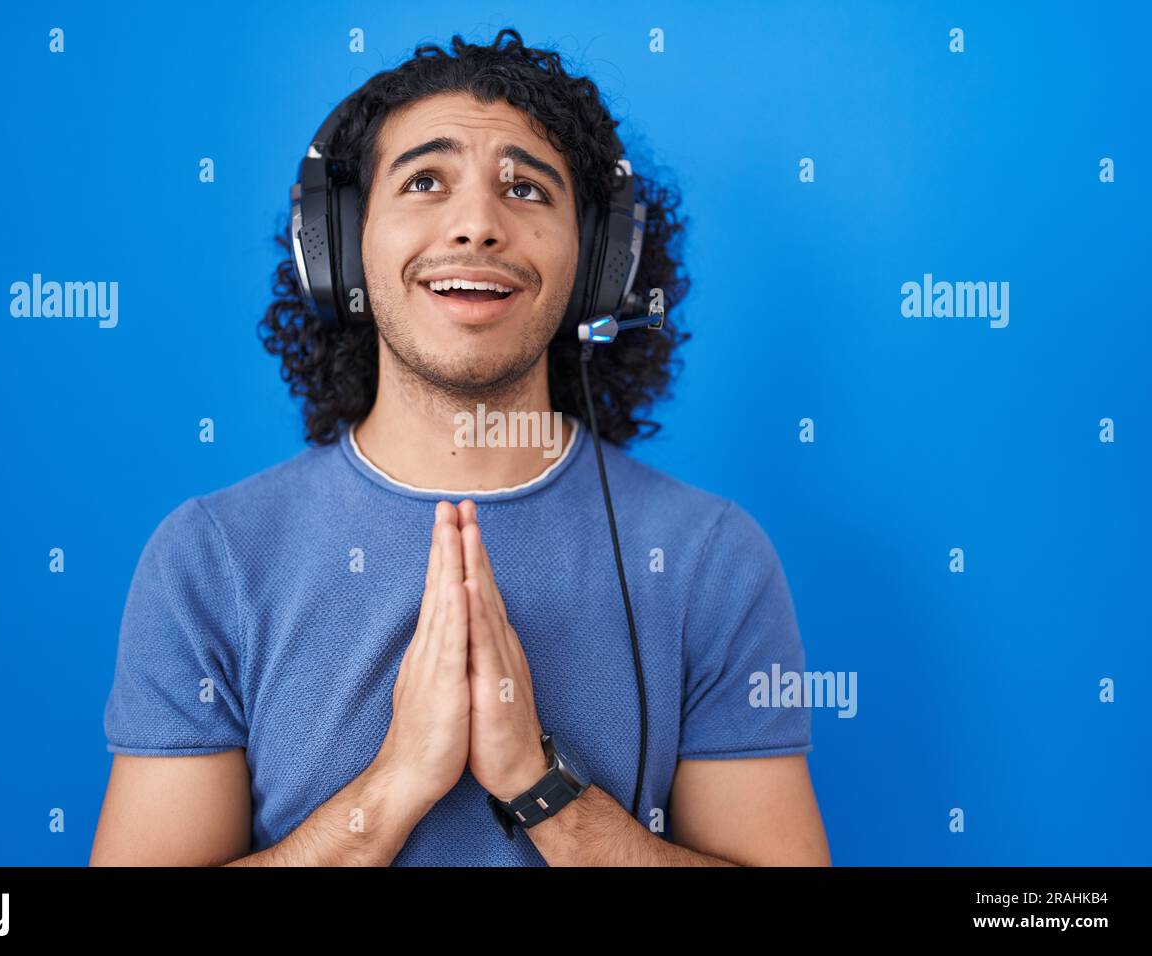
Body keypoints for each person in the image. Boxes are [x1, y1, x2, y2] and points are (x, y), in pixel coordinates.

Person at [89, 29, 830, 866]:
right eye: (425, 181)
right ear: (341, 248)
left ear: (599, 265)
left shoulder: (711, 559)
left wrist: (541, 787)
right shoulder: (207, 559)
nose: (477, 224)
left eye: (525, 189)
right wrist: (396, 783)